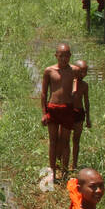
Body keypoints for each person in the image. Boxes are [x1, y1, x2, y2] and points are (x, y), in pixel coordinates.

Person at [41, 43, 76, 180]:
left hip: (67, 108)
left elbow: (81, 83)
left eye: (66, 56)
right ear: (56, 56)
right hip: (53, 107)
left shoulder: (73, 71)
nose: (63, 59)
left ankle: (65, 171)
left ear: (70, 56)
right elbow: (44, 93)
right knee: (53, 141)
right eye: (61, 56)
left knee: (65, 141)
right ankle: (52, 171)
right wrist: (44, 113)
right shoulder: (49, 71)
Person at [70, 60, 92, 169]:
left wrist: (88, 118)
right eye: (81, 71)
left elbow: (86, 102)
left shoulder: (84, 85)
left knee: (76, 140)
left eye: (85, 72)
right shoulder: (68, 83)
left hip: (79, 114)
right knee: (63, 139)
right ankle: (61, 163)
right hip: (68, 113)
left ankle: (74, 164)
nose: (83, 74)